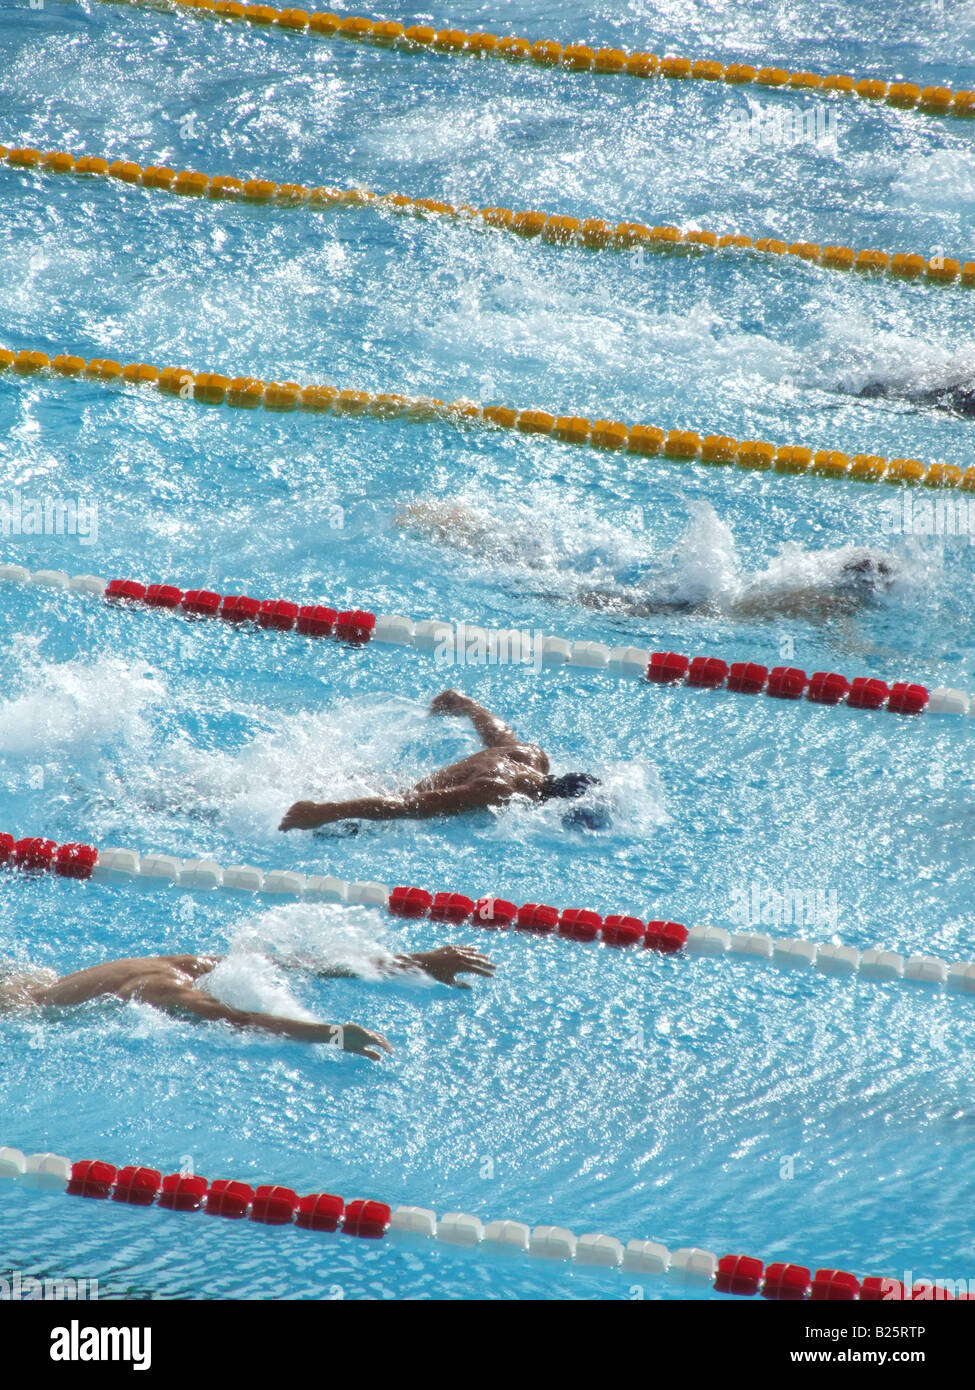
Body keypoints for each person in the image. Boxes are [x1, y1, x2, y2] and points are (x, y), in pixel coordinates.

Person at [0, 943, 495, 1061]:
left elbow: (298, 963)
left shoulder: (190, 964)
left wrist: (412, 962)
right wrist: (334, 1034)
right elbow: (237, 1019)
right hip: (18, 1011)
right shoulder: (170, 988)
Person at [279, 690, 601, 831]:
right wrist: (325, 812)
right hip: (375, 808)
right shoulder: (495, 790)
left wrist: (468, 704)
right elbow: (410, 805)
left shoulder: (533, 757)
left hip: (384, 784)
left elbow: (497, 732)